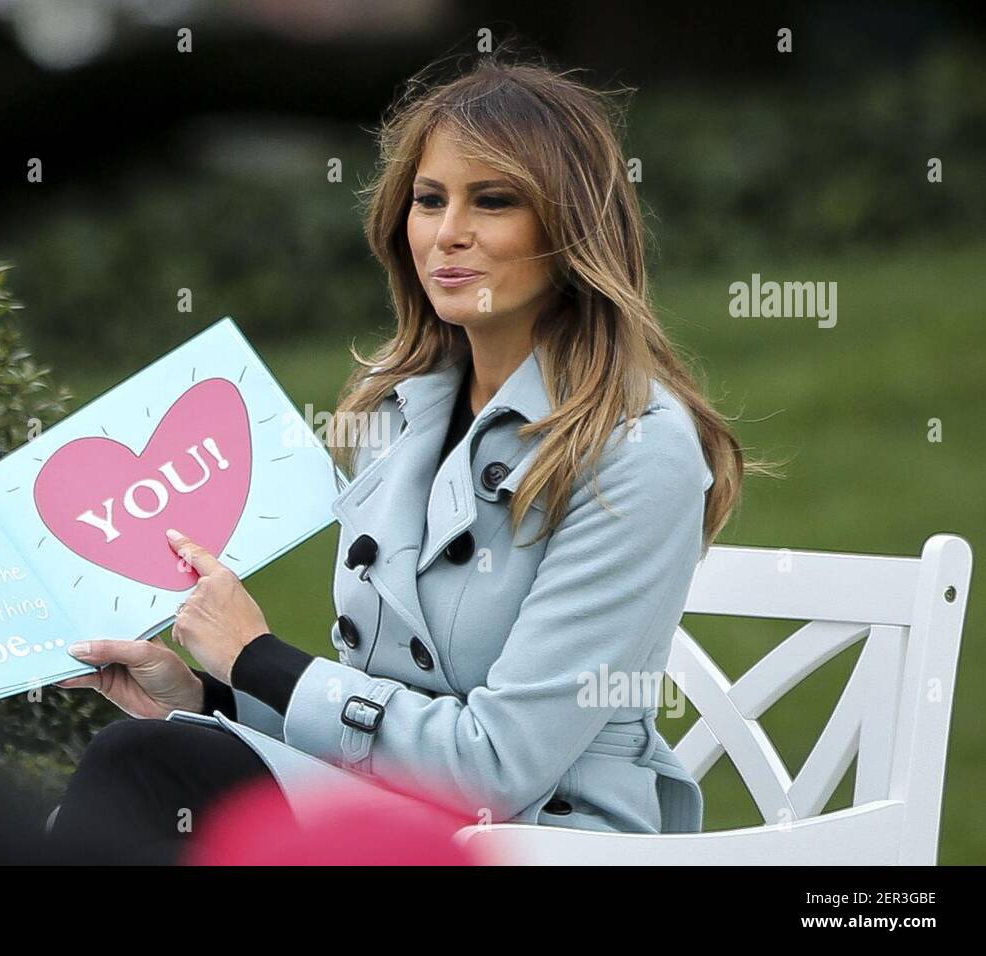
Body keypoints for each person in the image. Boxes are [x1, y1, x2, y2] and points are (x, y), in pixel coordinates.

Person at [49, 53, 754, 865]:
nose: (448, 231)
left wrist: (259, 659)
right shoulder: (399, 410)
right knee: (155, 761)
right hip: (398, 819)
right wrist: (216, 695)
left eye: (492, 200)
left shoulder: (638, 448)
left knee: (148, 770)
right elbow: (387, 718)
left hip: (549, 841)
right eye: (429, 200)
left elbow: (495, 764)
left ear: (570, 229)